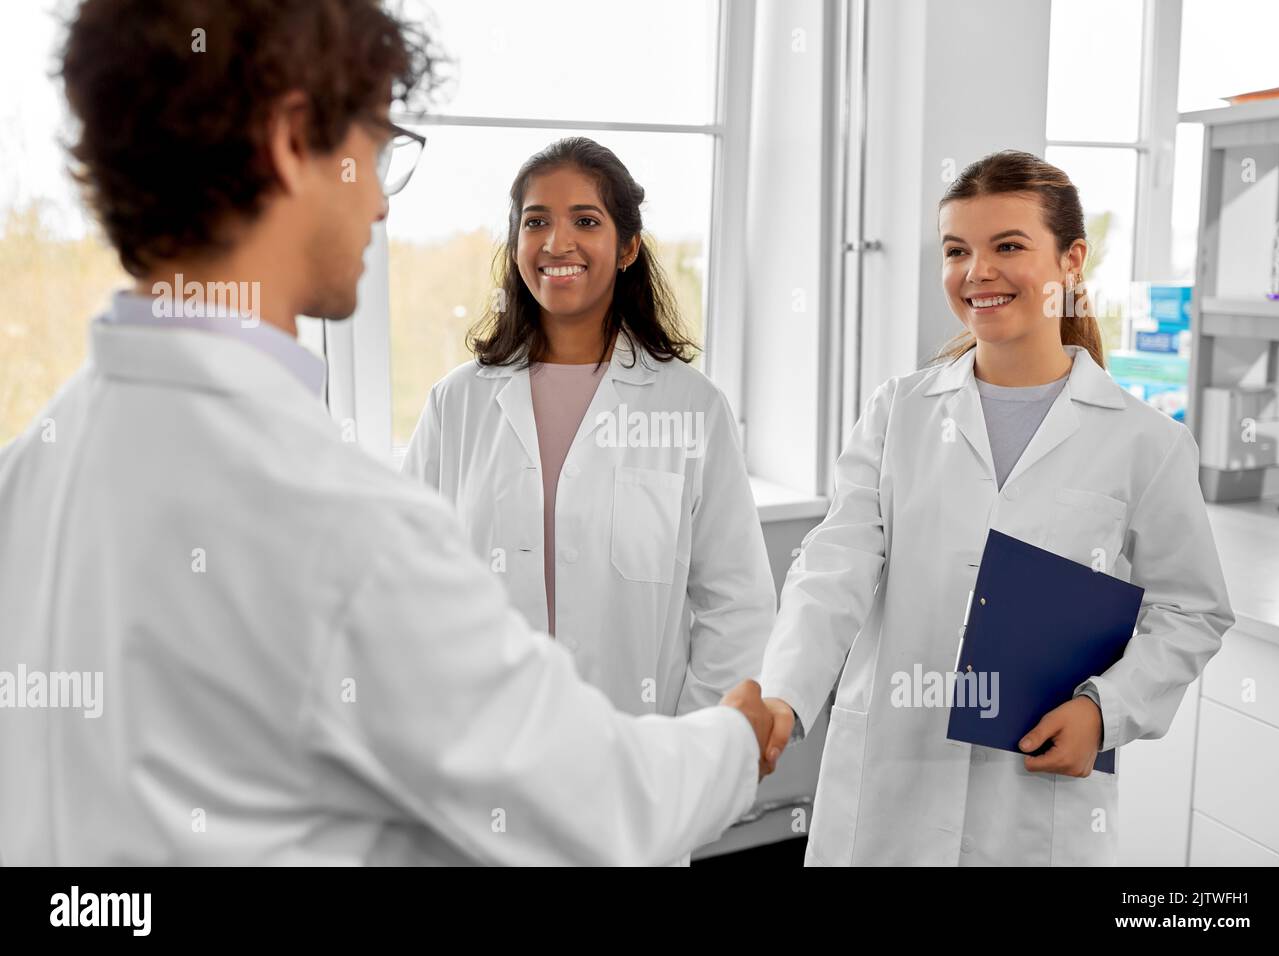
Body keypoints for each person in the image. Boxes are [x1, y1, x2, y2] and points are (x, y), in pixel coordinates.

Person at [0, 0, 772, 866]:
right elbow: (602, 805)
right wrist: (734, 739)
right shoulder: (335, 517)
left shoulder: (28, 469)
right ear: (297, 144)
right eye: (374, 148)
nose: (375, 201)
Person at [757, 150, 1234, 866]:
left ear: (1072, 261)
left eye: (1008, 246)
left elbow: (1191, 610)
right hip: (892, 783)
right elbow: (835, 566)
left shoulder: (1146, 442)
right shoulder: (900, 413)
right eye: (957, 250)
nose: (977, 271)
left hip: (1034, 799)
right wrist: (785, 694)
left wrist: (1104, 711)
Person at [402, 137, 775, 721]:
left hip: (637, 753)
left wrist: (688, 751)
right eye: (536, 221)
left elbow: (739, 603)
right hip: (487, 744)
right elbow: (410, 581)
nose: (557, 242)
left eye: (585, 220)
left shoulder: (690, 406)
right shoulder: (458, 403)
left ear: (627, 247)